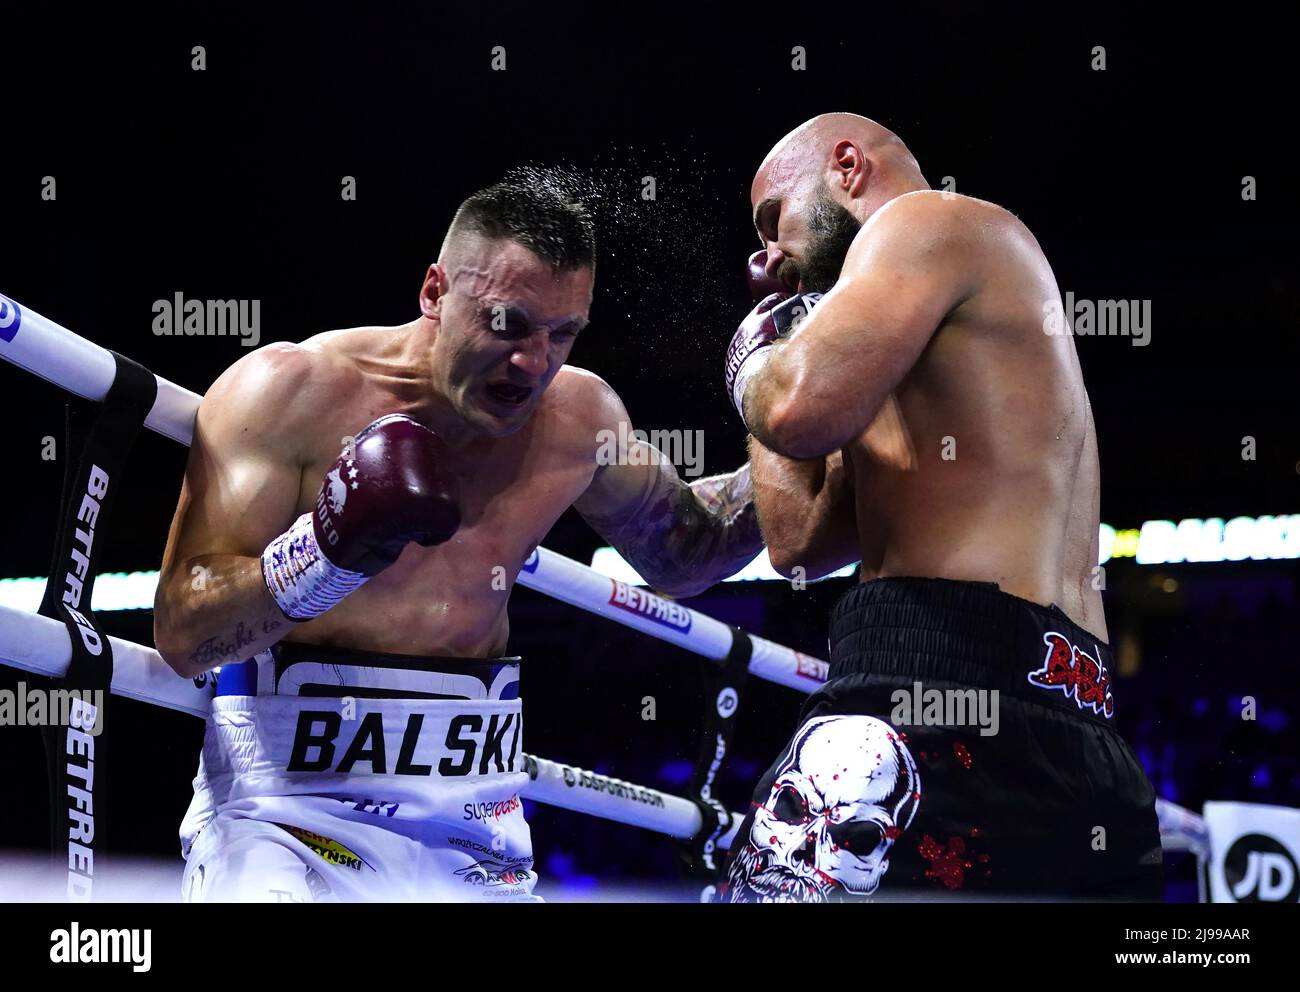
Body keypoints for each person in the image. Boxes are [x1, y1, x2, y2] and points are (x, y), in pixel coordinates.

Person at [153, 174, 763, 901]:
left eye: (562, 333)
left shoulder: (576, 418)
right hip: (286, 811)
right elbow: (184, 634)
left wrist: (811, 418)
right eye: (507, 322)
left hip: (477, 827)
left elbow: (687, 551)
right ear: (435, 292)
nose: (534, 362)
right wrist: (324, 552)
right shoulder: (287, 394)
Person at [721, 113, 1161, 901]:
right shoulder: (936, 354)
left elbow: (789, 409)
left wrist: (755, 354)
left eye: (771, 220)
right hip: (1079, 725)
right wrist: (785, 333)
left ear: (847, 167)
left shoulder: (926, 220)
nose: (767, 257)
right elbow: (798, 544)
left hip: (928, 686)